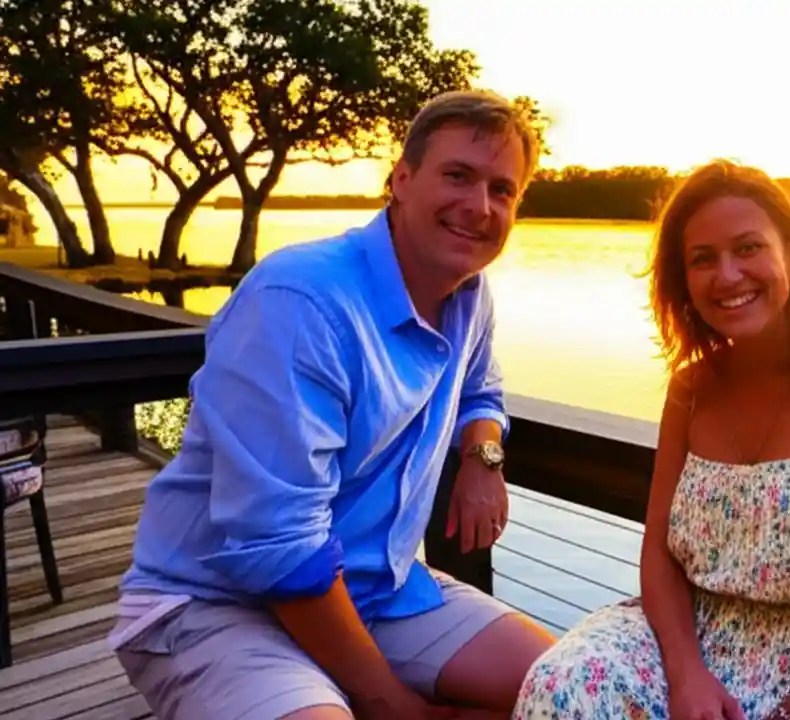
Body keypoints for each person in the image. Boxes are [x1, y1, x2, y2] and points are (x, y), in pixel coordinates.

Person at [108, 89, 556, 720]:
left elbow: (481, 388)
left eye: (502, 190)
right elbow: (278, 547)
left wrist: (483, 457)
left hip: (379, 591)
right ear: (401, 179)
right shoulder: (301, 301)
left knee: (574, 687)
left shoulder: (468, 296)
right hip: (215, 603)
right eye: (457, 175)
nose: (478, 206)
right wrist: (399, 706)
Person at [513, 160, 790, 720]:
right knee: (562, 686)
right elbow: (659, 552)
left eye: (748, 248)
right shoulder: (690, 389)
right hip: (691, 637)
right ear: (683, 282)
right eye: (702, 259)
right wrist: (686, 675)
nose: (728, 275)